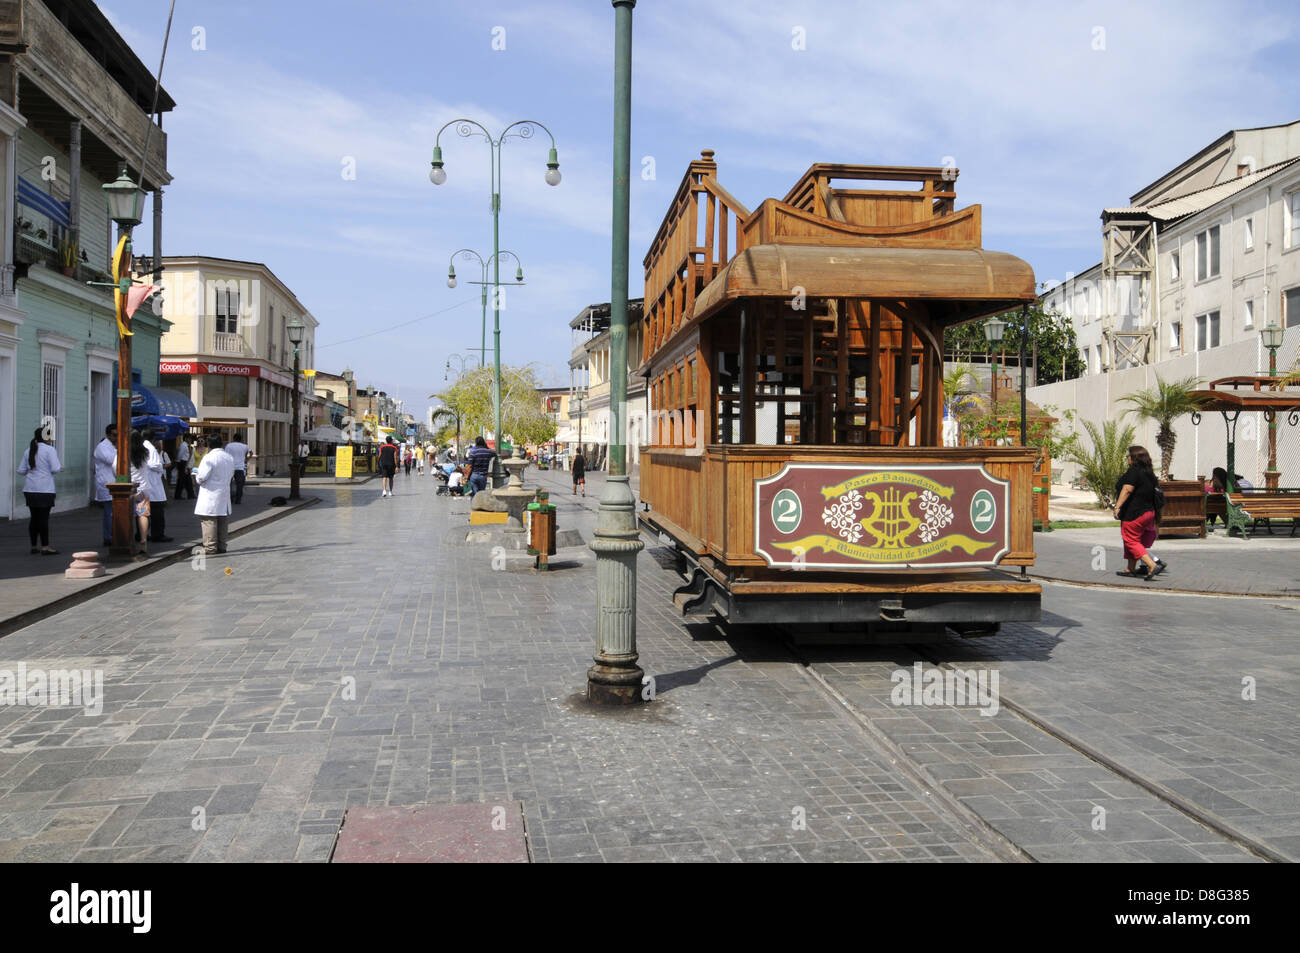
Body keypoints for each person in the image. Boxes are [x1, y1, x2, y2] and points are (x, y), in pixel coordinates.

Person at [1113, 445, 1166, 580]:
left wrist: (1117, 507)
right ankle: (1130, 568)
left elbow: (1127, 490)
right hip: (1149, 513)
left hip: (1135, 513)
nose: (1127, 458)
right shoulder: (1149, 474)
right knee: (1134, 540)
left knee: (1130, 540)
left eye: (1128, 456)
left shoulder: (1134, 472)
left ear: (1134, 458)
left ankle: (1152, 565)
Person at [18, 425, 61, 554]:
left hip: (30, 489)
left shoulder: (28, 450)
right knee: (43, 518)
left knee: (34, 518)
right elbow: (55, 468)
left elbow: (21, 470)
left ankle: (33, 546)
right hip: (45, 489)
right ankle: (46, 546)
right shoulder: (50, 450)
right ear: (46, 437)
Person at [194, 434, 234, 555]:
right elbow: (231, 474)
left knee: (209, 520)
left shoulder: (209, 457)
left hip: (210, 494)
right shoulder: (228, 457)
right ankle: (222, 545)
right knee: (222, 520)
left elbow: (201, 476)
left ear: (209, 445)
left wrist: (197, 478)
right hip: (224, 493)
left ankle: (210, 547)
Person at [142, 433, 172, 543]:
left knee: (143, 513)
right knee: (156, 512)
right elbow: (154, 464)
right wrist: (160, 466)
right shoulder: (150, 448)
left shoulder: (141, 447)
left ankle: (141, 534)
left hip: (144, 485)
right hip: (152, 485)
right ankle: (157, 534)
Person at [128, 430, 152, 558]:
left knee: (128, 515)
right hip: (144, 488)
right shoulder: (145, 452)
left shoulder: (124, 452)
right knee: (143, 515)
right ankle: (143, 539)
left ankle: (128, 540)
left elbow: (115, 467)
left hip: (130, 488)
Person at [94, 423, 118, 544]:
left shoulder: (114, 447)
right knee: (109, 512)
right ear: (108, 435)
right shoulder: (102, 447)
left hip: (116, 482)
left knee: (116, 512)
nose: (116, 437)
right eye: (114, 435)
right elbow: (112, 460)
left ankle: (115, 534)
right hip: (107, 483)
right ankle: (108, 537)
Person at [226, 431, 250, 503]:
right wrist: (246, 460)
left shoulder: (229, 446)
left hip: (230, 467)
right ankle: (238, 499)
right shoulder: (244, 446)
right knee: (239, 485)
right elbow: (251, 452)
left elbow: (225, 454)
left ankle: (229, 498)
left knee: (228, 484)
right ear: (241, 439)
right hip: (240, 468)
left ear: (233, 438)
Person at [173, 434, 194, 500]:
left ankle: (191, 494)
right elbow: (180, 455)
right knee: (181, 480)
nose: (190, 440)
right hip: (182, 462)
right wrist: (179, 464)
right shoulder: (183, 445)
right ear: (186, 438)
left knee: (188, 479)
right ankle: (178, 495)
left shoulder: (187, 445)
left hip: (185, 463)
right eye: (189, 438)